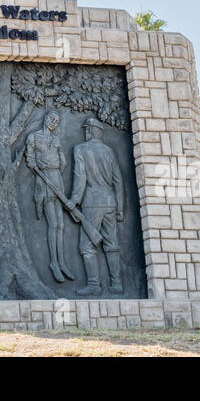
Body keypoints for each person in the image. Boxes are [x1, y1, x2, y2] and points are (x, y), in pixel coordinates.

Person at [69, 118, 125, 296]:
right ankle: (116, 284)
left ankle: (94, 285)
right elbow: (118, 180)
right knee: (112, 245)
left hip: (92, 203)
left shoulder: (81, 149)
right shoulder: (109, 151)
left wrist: (74, 200)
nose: (85, 132)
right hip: (110, 202)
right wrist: (120, 207)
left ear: (92, 130)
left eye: (87, 129)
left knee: (87, 246)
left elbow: (80, 177)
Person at [25, 111, 74, 283]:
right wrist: (37, 165)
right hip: (43, 180)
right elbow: (30, 159)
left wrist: (57, 167)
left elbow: (63, 162)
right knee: (53, 224)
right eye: (52, 119)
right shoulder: (34, 137)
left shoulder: (56, 139)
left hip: (56, 179)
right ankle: (53, 262)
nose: (54, 122)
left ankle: (62, 262)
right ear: (46, 119)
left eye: (57, 121)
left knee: (61, 224)